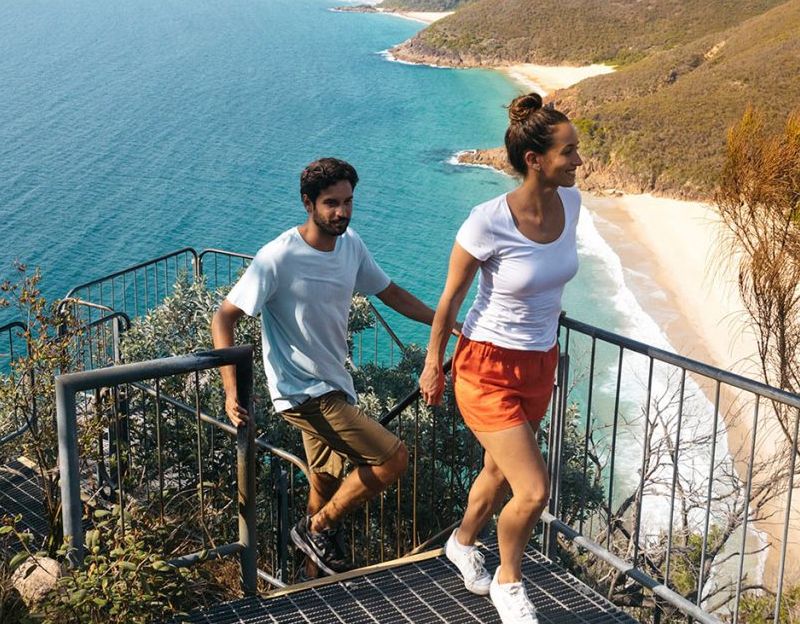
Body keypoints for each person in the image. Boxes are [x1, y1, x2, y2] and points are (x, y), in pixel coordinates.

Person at [211, 157, 450, 576]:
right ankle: (316, 528)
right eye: (330, 203)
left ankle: (309, 578)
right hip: (302, 394)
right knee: (393, 459)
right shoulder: (277, 258)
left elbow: (390, 293)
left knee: (323, 482)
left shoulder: (351, 245)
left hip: (335, 386)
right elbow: (223, 318)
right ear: (308, 203)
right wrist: (232, 391)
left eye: (348, 202)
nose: (341, 212)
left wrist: (448, 322)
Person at [419, 94, 583, 624]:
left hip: (540, 362)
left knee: (496, 468)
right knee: (533, 490)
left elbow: (547, 281)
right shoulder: (487, 220)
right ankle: (509, 584)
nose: (579, 161)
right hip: (486, 366)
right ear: (535, 159)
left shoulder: (573, 205)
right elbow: (450, 300)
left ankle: (462, 543)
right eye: (569, 152)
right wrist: (432, 363)